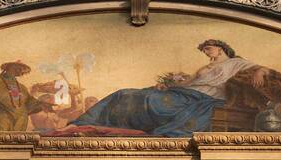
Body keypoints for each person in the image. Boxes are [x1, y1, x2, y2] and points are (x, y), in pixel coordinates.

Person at [71, 40, 261, 136]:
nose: (206, 52)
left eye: (208, 49)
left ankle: (126, 124)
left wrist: (259, 73)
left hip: (200, 99)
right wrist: (169, 84)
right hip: (184, 92)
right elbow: (189, 83)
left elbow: (260, 69)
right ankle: (83, 122)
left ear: (220, 48)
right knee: (125, 93)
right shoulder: (206, 67)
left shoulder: (235, 63)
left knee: (151, 101)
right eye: (204, 50)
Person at [0, 61, 53, 131]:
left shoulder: (22, 87)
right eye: (19, 68)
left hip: (21, 121)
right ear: (10, 67)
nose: (21, 71)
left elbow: (30, 102)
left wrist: (42, 104)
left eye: (22, 69)